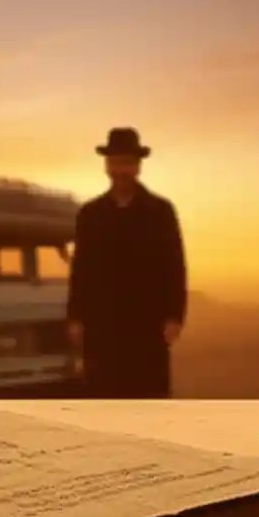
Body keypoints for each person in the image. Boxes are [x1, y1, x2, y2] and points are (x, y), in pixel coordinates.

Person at [66, 127, 188, 398]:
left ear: (138, 166)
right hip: (101, 327)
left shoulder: (160, 211)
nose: (121, 169)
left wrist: (174, 316)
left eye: (128, 163)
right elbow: (81, 268)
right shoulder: (91, 214)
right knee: (102, 401)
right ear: (107, 166)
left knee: (149, 401)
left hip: (148, 325)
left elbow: (175, 265)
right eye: (116, 162)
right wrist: (75, 317)